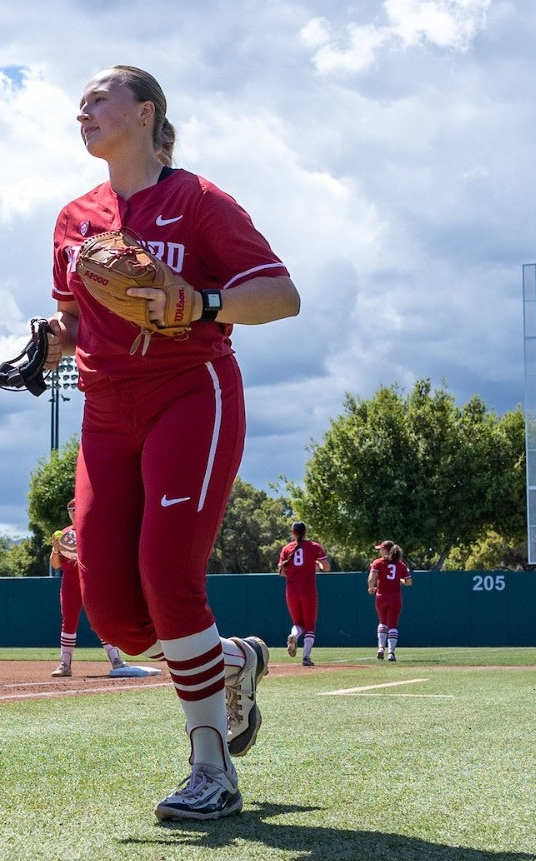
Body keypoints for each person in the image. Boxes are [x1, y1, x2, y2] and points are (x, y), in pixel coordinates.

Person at [44, 65, 301, 821]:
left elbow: (281, 294)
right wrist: (48, 342)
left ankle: (210, 768)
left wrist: (209, 301)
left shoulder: (198, 200)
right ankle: (232, 659)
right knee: (119, 616)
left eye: (99, 97)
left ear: (146, 111)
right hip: (105, 409)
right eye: (81, 100)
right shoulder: (73, 218)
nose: (82, 108)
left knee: (166, 569)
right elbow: (78, 322)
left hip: (192, 392)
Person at [49, 501, 126, 677]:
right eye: (71, 510)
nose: (74, 512)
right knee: (68, 622)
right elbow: (55, 564)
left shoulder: (93, 531)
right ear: (69, 514)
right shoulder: (65, 534)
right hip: (70, 582)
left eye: (77, 508)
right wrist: (55, 548)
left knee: (100, 621)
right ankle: (64, 665)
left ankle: (116, 660)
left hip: (91, 581)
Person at [278, 521, 329, 667]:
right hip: (308, 589)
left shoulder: (287, 548)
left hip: (291, 589)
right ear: (305, 531)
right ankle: (306, 657)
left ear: (293, 532)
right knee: (310, 626)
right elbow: (326, 567)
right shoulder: (314, 546)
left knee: (298, 623)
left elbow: (281, 572)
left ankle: (294, 635)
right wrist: (318, 565)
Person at [368, 540, 413, 661]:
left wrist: (371, 587)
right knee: (392, 624)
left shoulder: (378, 562)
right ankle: (391, 653)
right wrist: (400, 580)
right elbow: (409, 582)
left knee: (382, 622)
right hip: (395, 597)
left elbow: (372, 577)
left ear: (386, 550)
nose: (380, 551)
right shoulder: (400, 564)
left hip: (381, 596)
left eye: (381, 549)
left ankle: (381, 648)